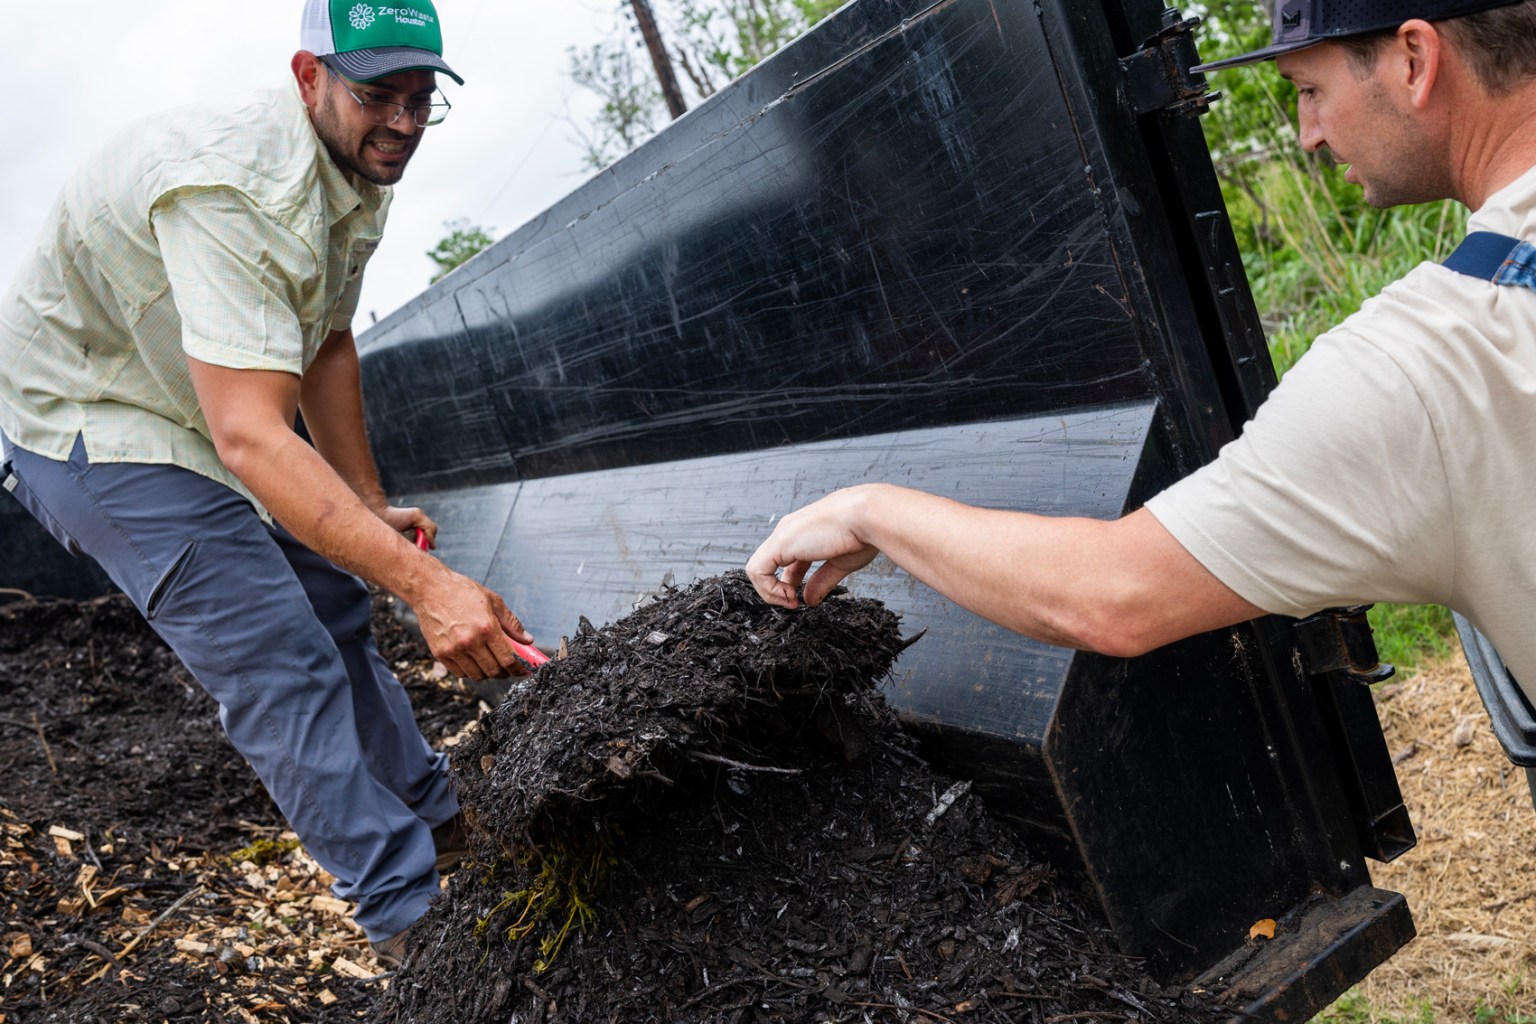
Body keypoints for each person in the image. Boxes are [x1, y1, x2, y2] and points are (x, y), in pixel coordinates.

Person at [746, 0, 1536, 705]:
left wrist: (870, 511)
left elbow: (1113, 595)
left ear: (1414, 58)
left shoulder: (1428, 369)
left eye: (1309, 88)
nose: (1309, 134)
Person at [0, 0, 538, 968]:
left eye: (423, 99)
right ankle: (413, 925)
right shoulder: (233, 189)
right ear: (307, 79)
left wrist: (365, 507)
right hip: (86, 416)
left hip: (198, 396)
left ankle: (442, 821)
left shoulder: (360, 159)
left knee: (333, 591)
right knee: (275, 649)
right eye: (380, 95)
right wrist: (426, 586)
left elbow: (328, 340)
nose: (406, 124)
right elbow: (251, 437)